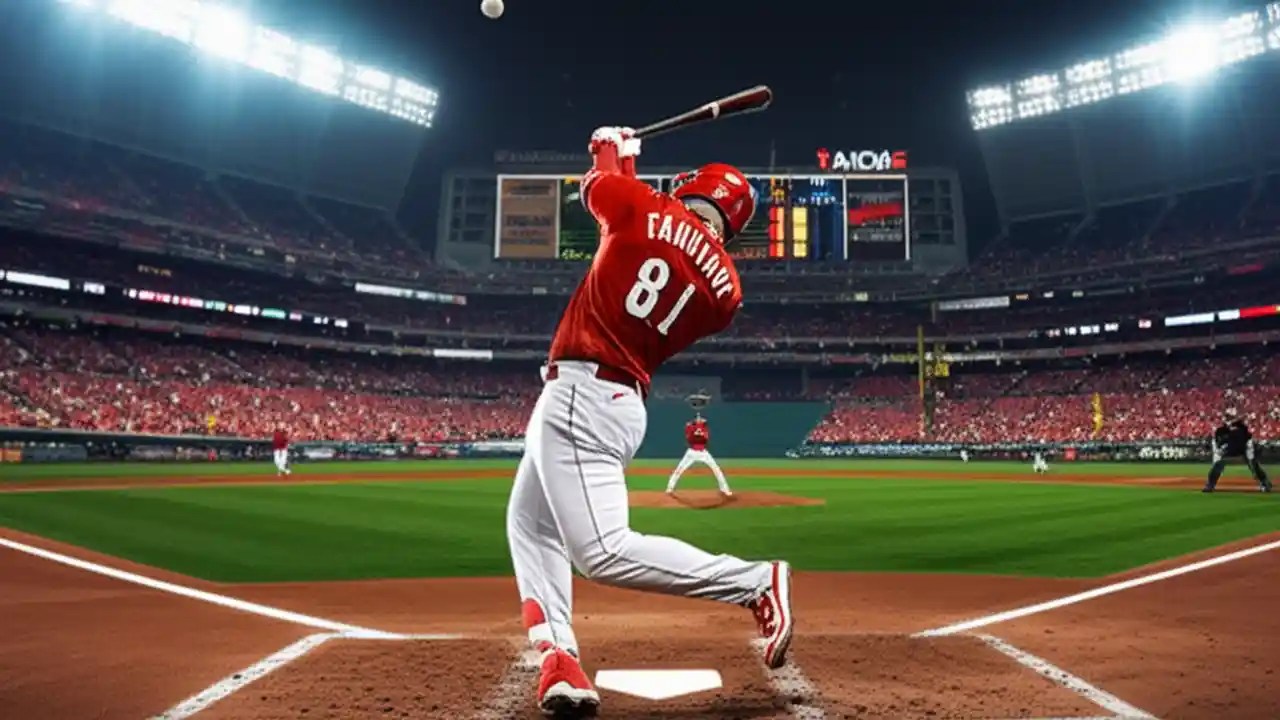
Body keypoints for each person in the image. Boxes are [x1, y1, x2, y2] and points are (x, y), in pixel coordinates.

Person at [505, 126, 793, 717]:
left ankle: (756, 582)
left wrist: (609, 147)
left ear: (693, 188)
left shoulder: (645, 207)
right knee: (529, 524)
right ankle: (559, 658)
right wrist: (621, 165)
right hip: (612, 398)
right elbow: (641, 235)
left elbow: (602, 195)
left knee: (602, 551)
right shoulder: (727, 291)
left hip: (584, 393)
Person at [666, 412, 732, 496]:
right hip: (696, 452)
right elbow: (701, 438)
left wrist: (691, 425)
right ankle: (725, 489)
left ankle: (669, 488)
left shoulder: (695, 427)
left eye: (700, 419)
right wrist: (696, 425)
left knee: (716, 470)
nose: (700, 420)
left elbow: (693, 438)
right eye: (698, 419)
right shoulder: (703, 428)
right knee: (679, 469)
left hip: (698, 452)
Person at [1204, 411, 1271, 493]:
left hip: (1242, 452)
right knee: (1217, 465)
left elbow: (1247, 441)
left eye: (1230, 417)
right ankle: (1210, 484)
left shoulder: (1241, 429)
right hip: (1229, 453)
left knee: (1253, 464)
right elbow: (1218, 445)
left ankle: (1264, 483)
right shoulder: (1222, 431)